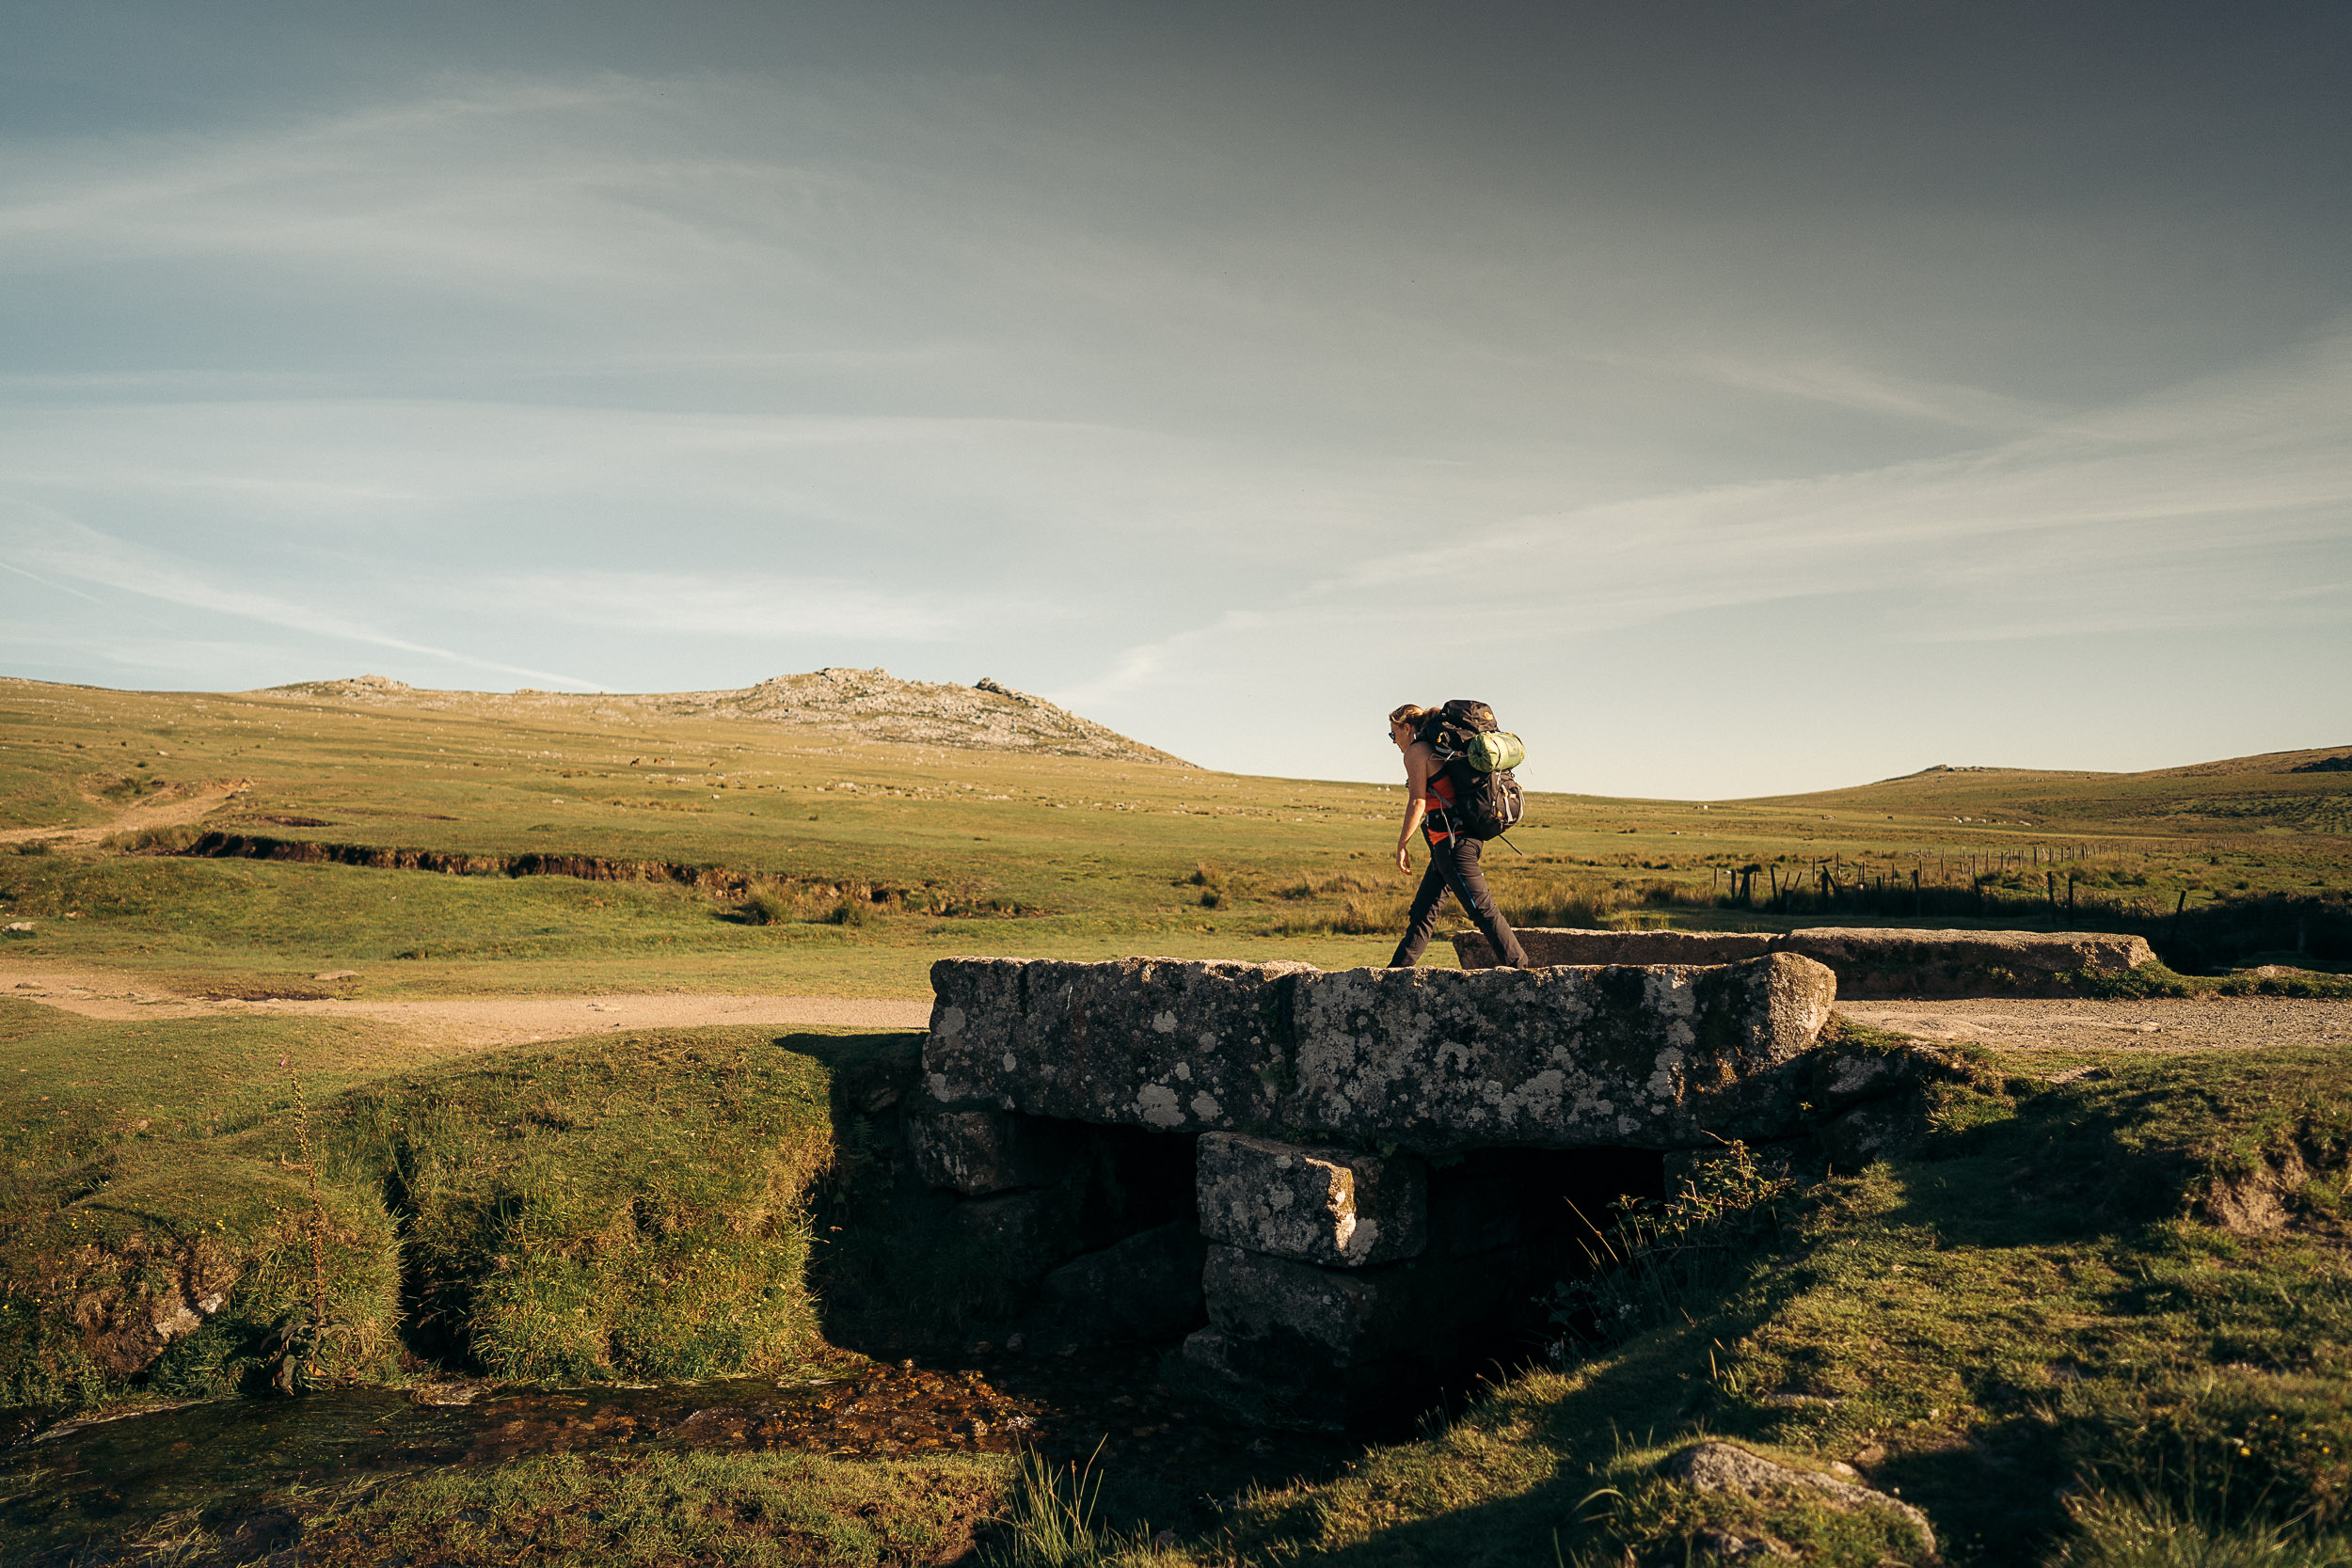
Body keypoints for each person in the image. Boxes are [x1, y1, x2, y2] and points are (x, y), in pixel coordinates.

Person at [1386, 704, 1531, 969]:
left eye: (1393, 734)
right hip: (1453, 842)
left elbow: (1418, 801)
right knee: (1422, 913)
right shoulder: (1436, 748)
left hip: (1453, 845)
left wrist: (1402, 845)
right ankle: (1393, 976)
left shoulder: (1417, 752)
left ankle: (1521, 969)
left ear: (1406, 727)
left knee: (1481, 909)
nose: (1394, 741)